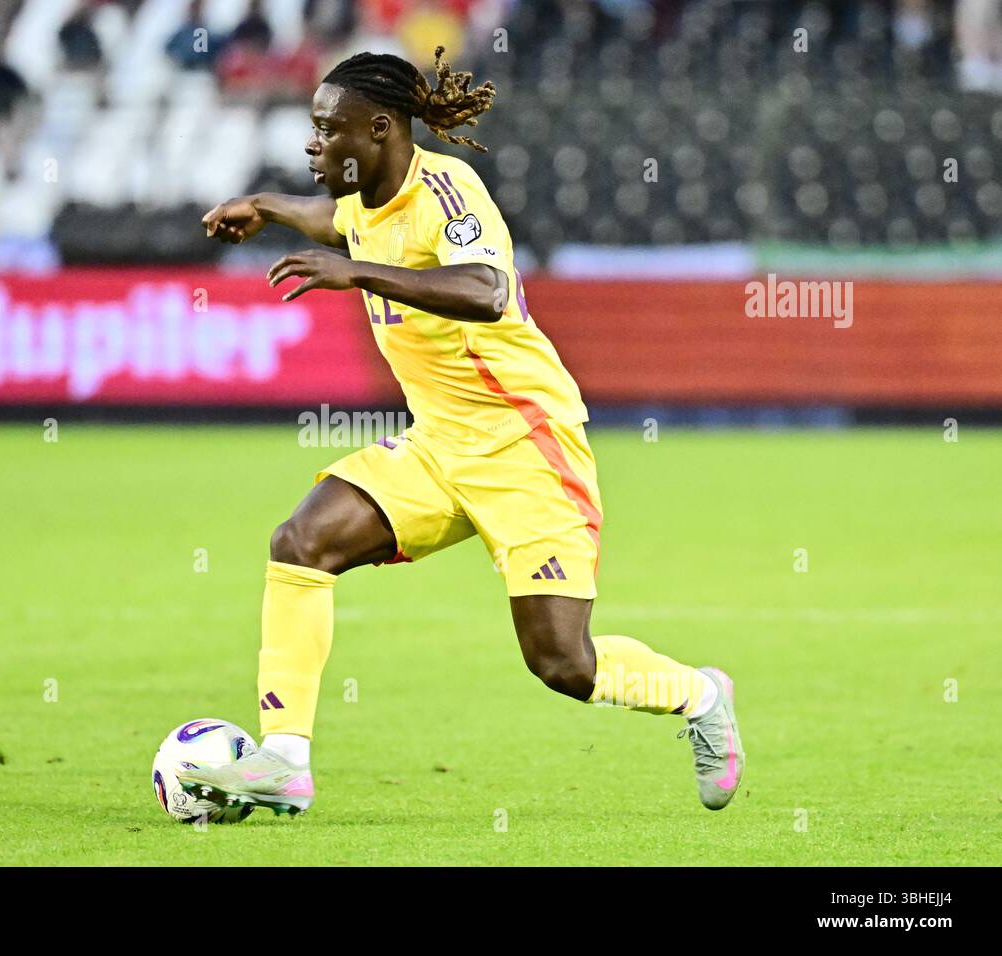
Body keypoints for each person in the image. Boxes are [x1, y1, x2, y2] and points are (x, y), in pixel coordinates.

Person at [181, 47, 744, 816]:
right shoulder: (361, 197)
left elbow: (486, 289)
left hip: (525, 445)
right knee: (300, 543)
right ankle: (285, 760)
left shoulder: (447, 189)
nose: (314, 145)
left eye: (326, 129)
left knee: (562, 664)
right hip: (439, 444)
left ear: (379, 130)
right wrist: (269, 206)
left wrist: (361, 274)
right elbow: (335, 219)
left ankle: (700, 694)